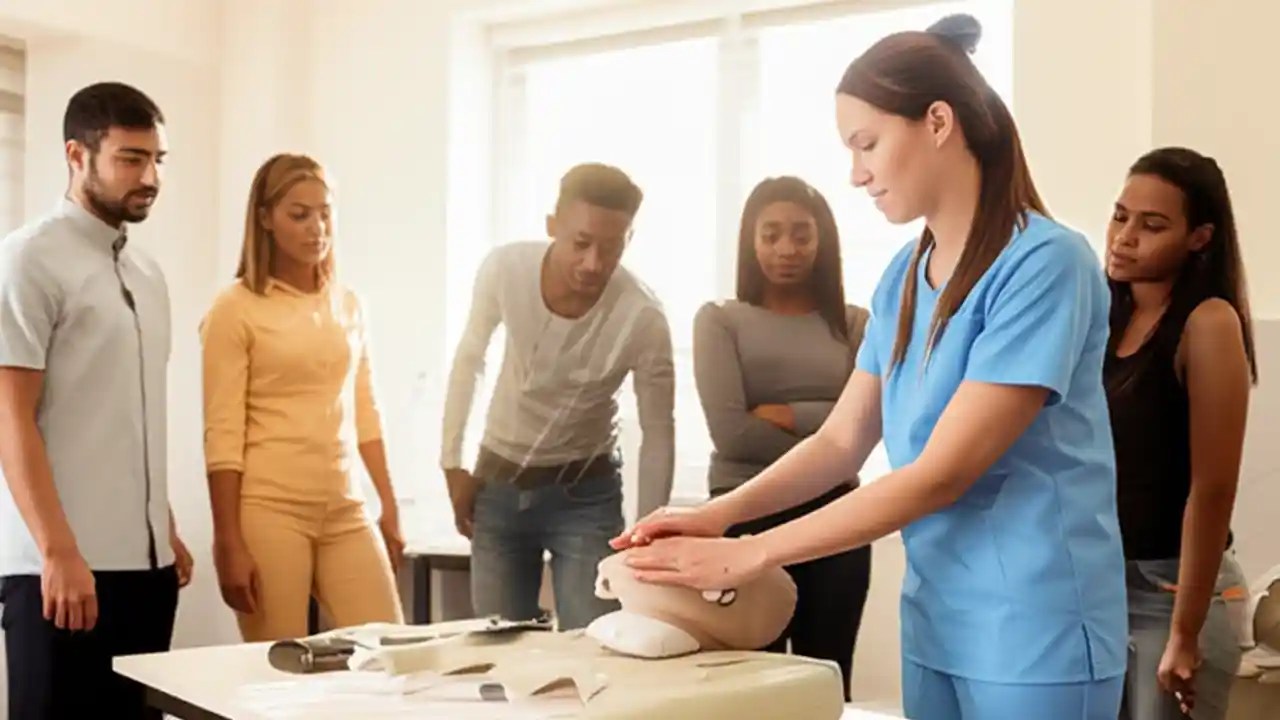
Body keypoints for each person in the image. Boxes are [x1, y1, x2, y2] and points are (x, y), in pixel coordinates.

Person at [612, 15, 1129, 720]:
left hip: (1036, 628)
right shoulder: (904, 277)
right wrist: (717, 518)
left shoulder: (1045, 265)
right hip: (938, 618)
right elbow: (839, 442)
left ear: (938, 122)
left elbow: (942, 472)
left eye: (867, 144)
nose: (856, 174)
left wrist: (754, 553)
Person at [0, 81, 194, 719]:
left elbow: (127, 414)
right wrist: (58, 552)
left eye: (157, 160)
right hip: (61, 571)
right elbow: (10, 417)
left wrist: (161, 528)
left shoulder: (148, 273)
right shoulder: (28, 260)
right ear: (77, 156)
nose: (150, 177)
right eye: (130, 159)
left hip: (148, 572)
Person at [441, 162, 675, 631]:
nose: (592, 264)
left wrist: (646, 531)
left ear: (628, 241)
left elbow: (658, 431)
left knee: (594, 645)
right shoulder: (504, 269)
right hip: (497, 487)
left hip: (585, 498)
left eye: (609, 248)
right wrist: (452, 463)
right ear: (553, 227)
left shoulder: (643, 317)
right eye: (581, 244)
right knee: (498, 650)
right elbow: (470, 359)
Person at [200, 153, 405, 642]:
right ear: (266, 219)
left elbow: (365, 411)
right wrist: (228, 540)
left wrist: (390, 505)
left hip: (344, 508)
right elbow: (222, 434)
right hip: (268, 510)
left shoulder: (348, 303)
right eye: (300, 214)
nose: (317, 228)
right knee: (278, 678)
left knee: (392, 655)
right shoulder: (234, 309)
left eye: (325, 213)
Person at [692, 176, 870, 699]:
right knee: (747, 686)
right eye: (770, 235)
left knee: (828, 679)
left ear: (822, 240)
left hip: (836, 519)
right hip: (743, 513)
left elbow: (865, 428)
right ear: (750, 239)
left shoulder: (856, 324)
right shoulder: (720, 321)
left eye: (800, 234)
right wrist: (832, 431)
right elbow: (732, 434)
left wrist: (789, 413)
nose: (786, 249)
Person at [1104, 147, 1254, 720]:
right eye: (1121, 215)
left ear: (1200, 237)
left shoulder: (1208, 322)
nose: (1125, 236)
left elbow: (1212, 490)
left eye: (1153, 224)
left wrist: (1186, 631)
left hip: (1173, 591)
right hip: (1101, 584)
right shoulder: (1102, 316)